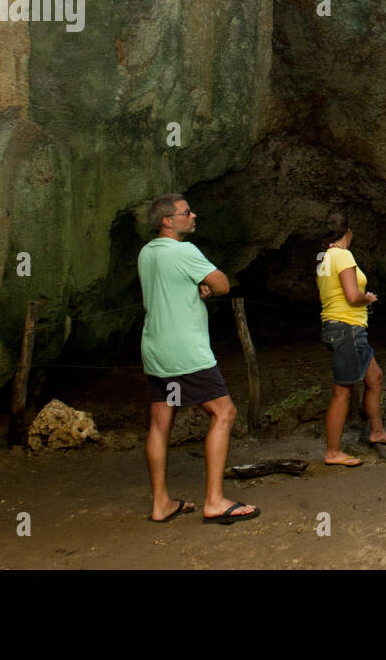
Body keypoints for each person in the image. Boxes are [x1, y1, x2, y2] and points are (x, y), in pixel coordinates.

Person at [138, 193, 257, 525]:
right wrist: (207, 287)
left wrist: (196, 288)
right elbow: (221, 284)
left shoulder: (147, 253)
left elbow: (173, 286)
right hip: (185, 352)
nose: (193, 215)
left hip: (155, 349)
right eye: (186, 212)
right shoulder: (184, 251)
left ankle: (161, 502)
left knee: (161, 424)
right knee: (224, 412)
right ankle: (215, 501)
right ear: (167, 221)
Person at [316, 210, 386, 466]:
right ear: (348, 232)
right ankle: (333, 452)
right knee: (342, 391)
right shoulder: (343, 255)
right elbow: (353, 296)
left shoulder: (324, 258)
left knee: (374, 377)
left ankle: (376, 431)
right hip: (347, 328)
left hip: (345, 328)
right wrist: (368, 298)